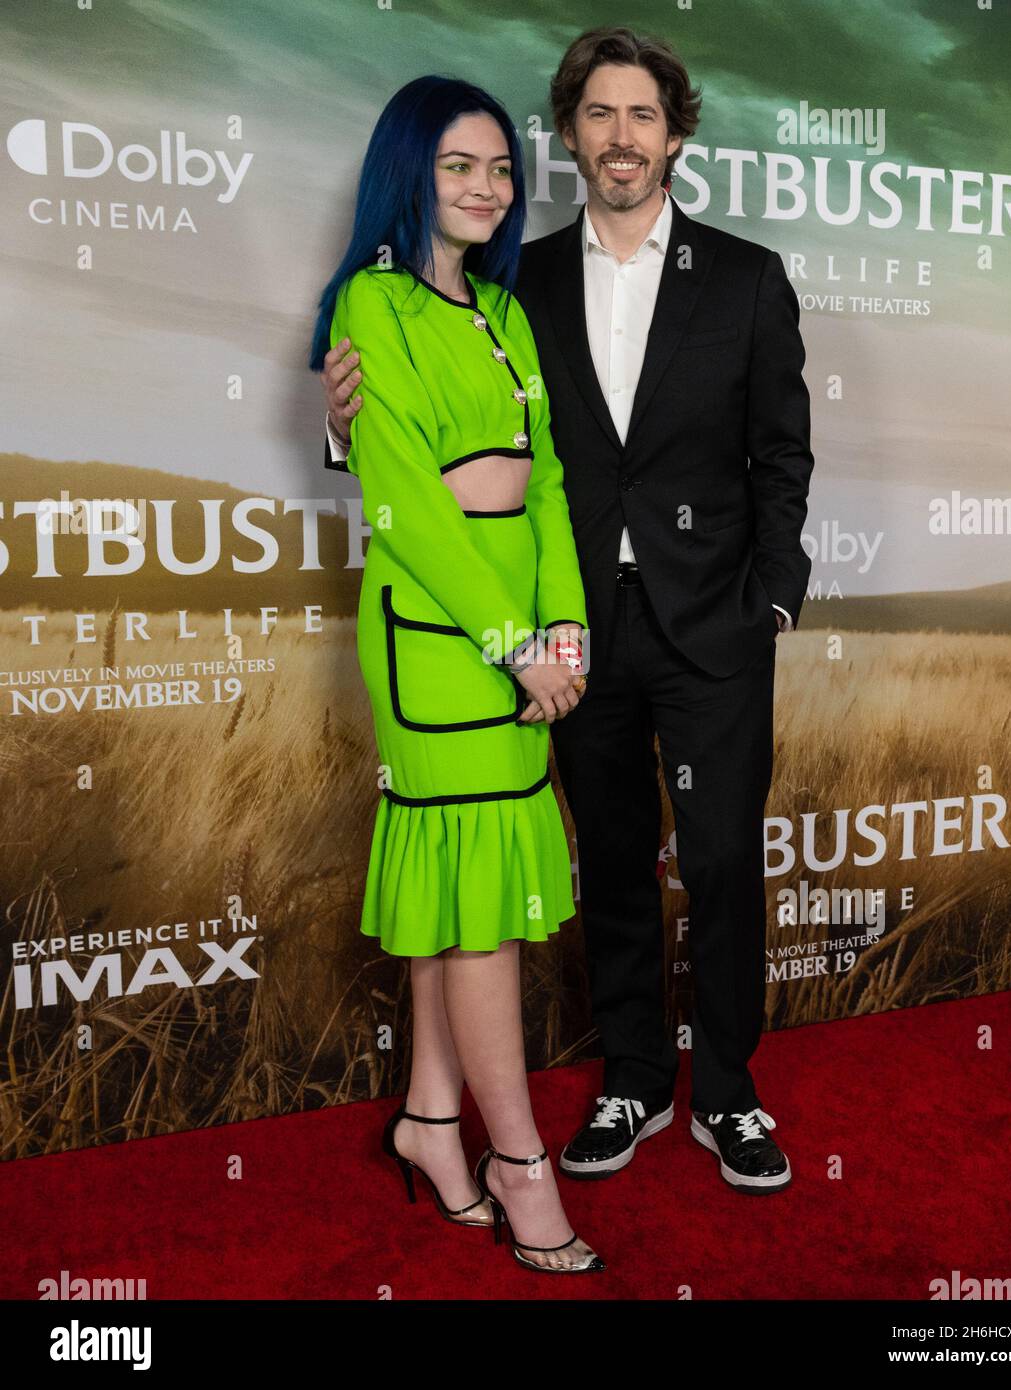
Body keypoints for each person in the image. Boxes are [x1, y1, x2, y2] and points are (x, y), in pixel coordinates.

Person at [323, 29, 813, 1199]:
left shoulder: (746, 276)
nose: (621, 137)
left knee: (720, 858)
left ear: (675, 134)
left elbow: (780, 457)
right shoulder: (514, 279)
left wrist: (774, 603)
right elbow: (452, 440)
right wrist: (343, 433)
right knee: (608, 864)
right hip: (571, 632)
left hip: (711, 628)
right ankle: (635, 1077)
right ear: (570, 136)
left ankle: (731, 1091)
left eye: (642, 115)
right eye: (597, 114)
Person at [309, 74, 604, 1273]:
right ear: (407, 174)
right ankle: (518, 1162)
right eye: (456, 168)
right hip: (436, 633)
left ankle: (432, 1122)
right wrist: (514, 642)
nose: (484, 190)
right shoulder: (368, 305)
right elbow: (411, 514)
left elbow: (546, 485)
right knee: (478, 912)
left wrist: (568, 628)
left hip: (521, 628)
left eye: (498, 170)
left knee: (458, 893)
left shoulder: (505, 311)